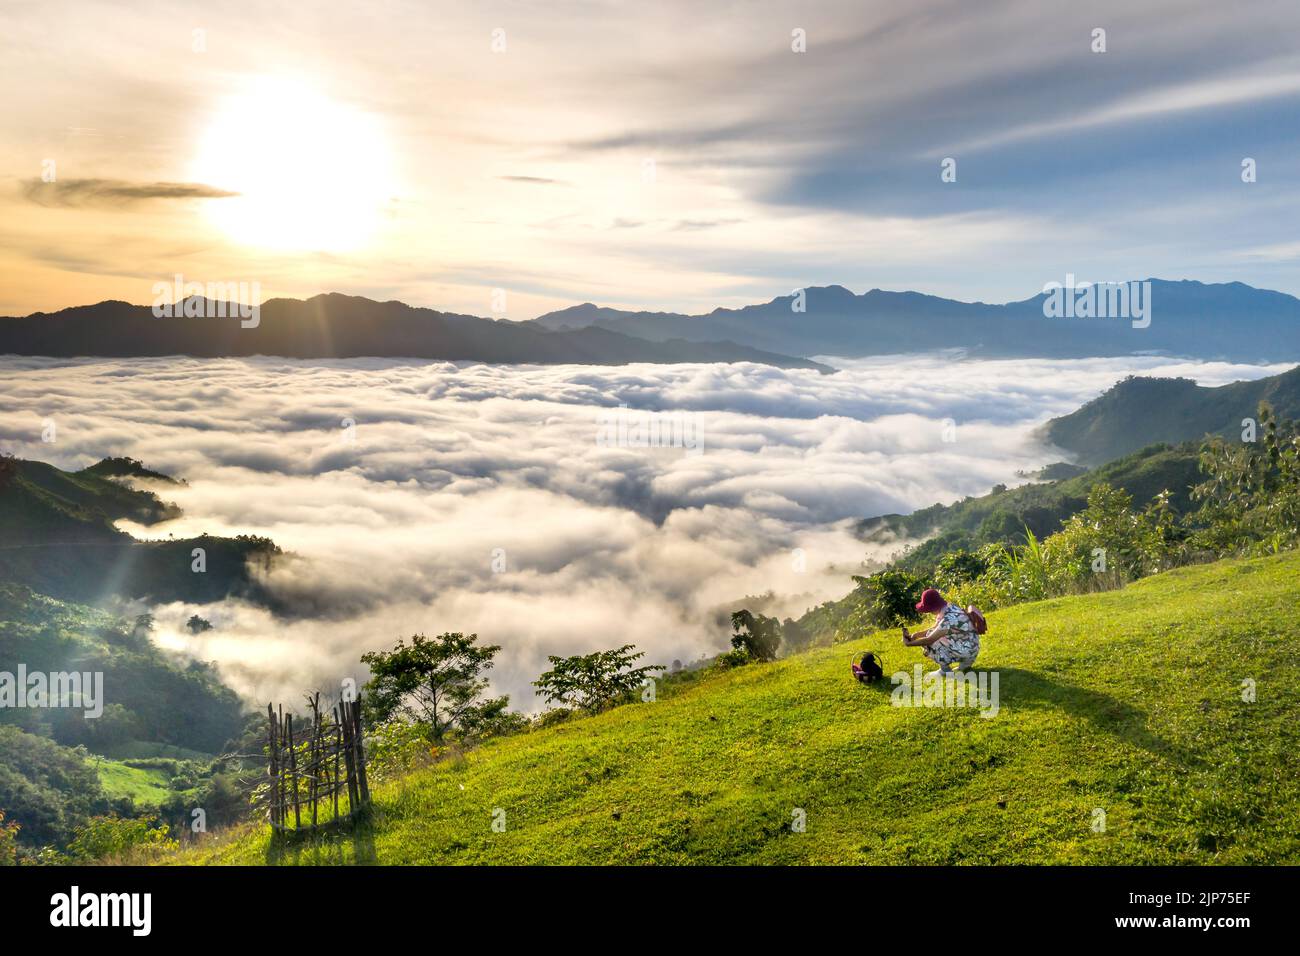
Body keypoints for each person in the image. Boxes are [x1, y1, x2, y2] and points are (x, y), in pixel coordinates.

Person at [901, 587, 979, 676]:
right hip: (973, 648)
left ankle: (945, 670)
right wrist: (917, 635)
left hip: (966, 650)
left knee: (931, 641)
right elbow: (936, 627)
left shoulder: (947, 619)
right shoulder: (950, 607)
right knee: (931, 633)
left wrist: (909, 644)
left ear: (932, 608)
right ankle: (964, 666)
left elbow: (929, 639)